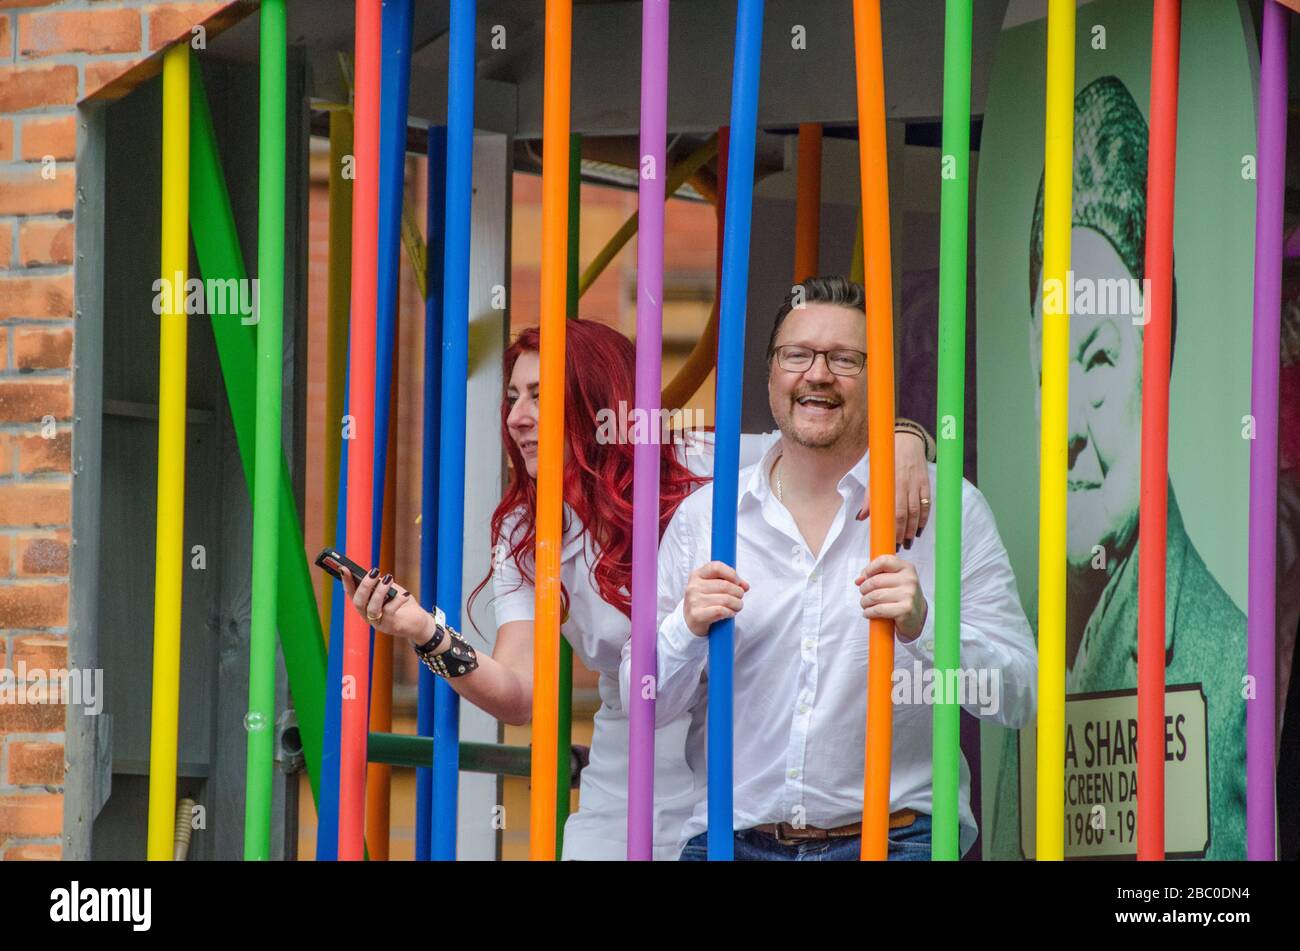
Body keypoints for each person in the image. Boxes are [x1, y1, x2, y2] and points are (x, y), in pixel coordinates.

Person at [341, 317, 937, 860]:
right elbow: (519, 694)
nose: (517, 416)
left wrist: (907, 438)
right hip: (627, 766)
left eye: (541, 396)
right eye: (513, 397)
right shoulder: (529, 527)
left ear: (598, 399)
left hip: (743, 760)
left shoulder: (699, 459)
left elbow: (828, 442)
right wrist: (423, 631)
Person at [629, 277, 1037, 860]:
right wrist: (684, 630)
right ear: (771, 372)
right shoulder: (708, 518)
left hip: (896, 841)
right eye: (797, 355)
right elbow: (640, 699)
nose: (817, 374)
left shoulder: (950, 510)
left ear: (879, 380)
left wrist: (928, 627)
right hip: (730, 842)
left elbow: (1024, 693)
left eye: (845, 359)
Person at [990, 75, 1248, 860]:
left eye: (1097, 360)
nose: (1068, 422)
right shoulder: (1025, 639)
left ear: (1158, 352)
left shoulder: (1224, 655)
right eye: (1050, 371)